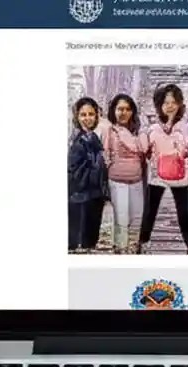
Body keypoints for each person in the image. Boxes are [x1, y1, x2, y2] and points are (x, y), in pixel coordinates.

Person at [139, 84, 188, 254]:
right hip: (157, 176)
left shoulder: (186, 126)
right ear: (159, 105)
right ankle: (142, 242)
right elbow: (146, 150)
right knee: (149, 212)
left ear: (179, 104)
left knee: (184, 213)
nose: (170, 106)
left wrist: (173, 124)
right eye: (166, 103)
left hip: (180, 176)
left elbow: (187, 148)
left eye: (173, 102)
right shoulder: (152, 127)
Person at [104, 93, 148, 254]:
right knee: (121, 218)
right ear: (113, 111)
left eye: (128, 109)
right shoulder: (110, 131)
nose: (124, 113)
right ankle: (121, 249)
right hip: (117, 180)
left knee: (136, 216)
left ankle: (134, 248)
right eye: (120, 109)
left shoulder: (139, 132)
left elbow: (144, 150)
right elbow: (105, 155)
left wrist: (141, 131)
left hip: (136, 180)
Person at [68, 97, 108, 253]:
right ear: (77, 117)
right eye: (83, 115)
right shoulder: (77, 142)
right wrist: (94, 170)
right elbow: (74, 171)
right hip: (81, 196)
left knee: (91, 239)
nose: (87, 118)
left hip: (95, 195)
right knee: (81, 241)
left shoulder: (94, 137)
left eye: (91, 114)